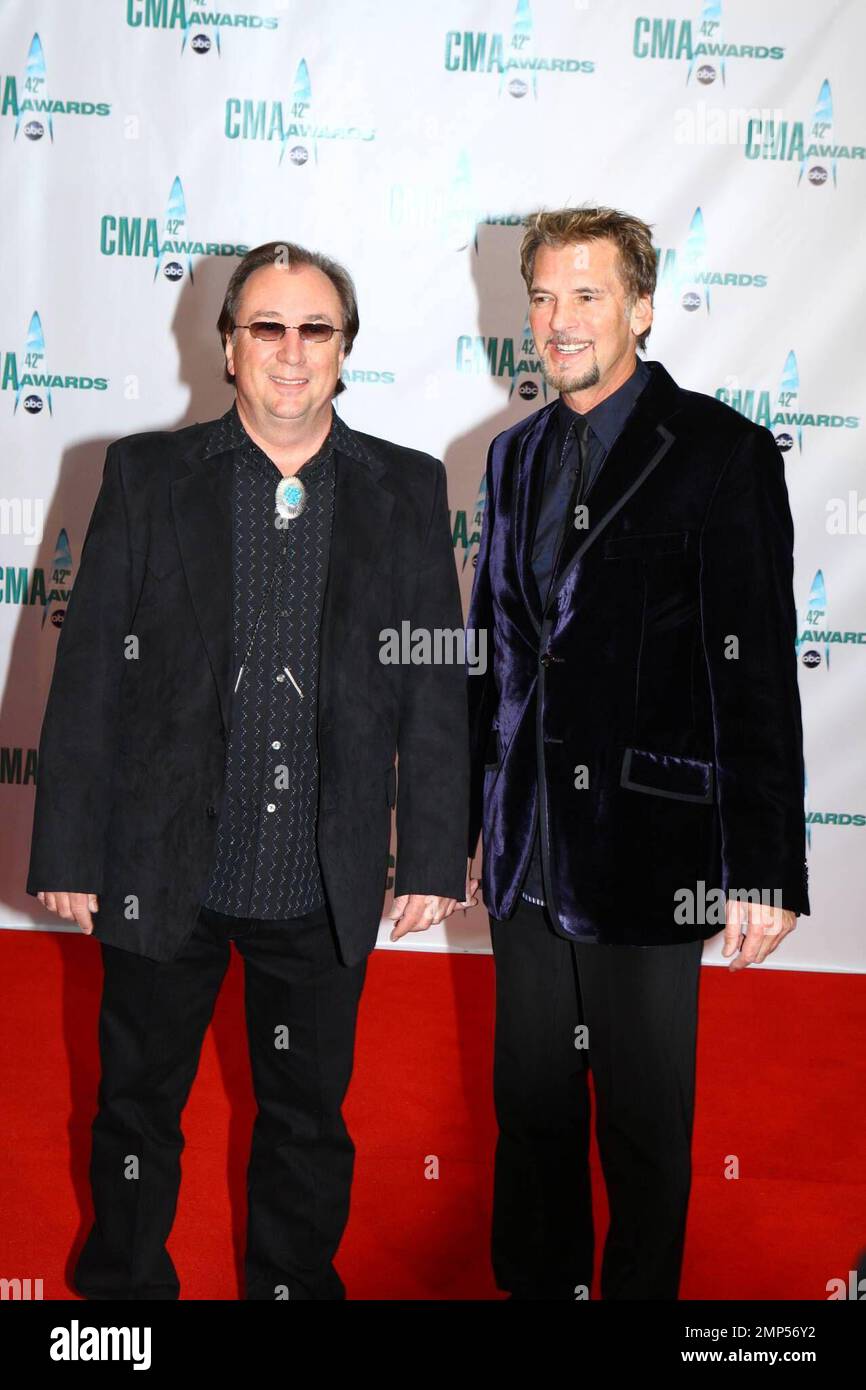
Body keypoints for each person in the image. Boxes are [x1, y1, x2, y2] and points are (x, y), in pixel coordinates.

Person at [27, 240, 470, 1300]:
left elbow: (434, 680)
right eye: (265, 327)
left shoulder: (405, 487)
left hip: (319, 874)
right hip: (162, 860)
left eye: (314, 329)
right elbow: (89, 669)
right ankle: (122, 1303)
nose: (288, 350)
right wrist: (70, 845)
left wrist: (433, 854)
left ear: (344, 351)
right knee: (135, 1107)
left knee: (307, 1119)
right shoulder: (144, 473)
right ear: (225, 346)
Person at [466, 206, 809, 1300]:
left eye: (587, 295)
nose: (558, 322)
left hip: (649, 849)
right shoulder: (510, 455)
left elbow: (752, 674)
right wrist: (467, 826)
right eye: (543, 298)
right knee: (529, 1109)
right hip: (526, 849)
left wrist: (762, 863)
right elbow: (492, 660)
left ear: (641, 308)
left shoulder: (719, 452)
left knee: (645, 1125)